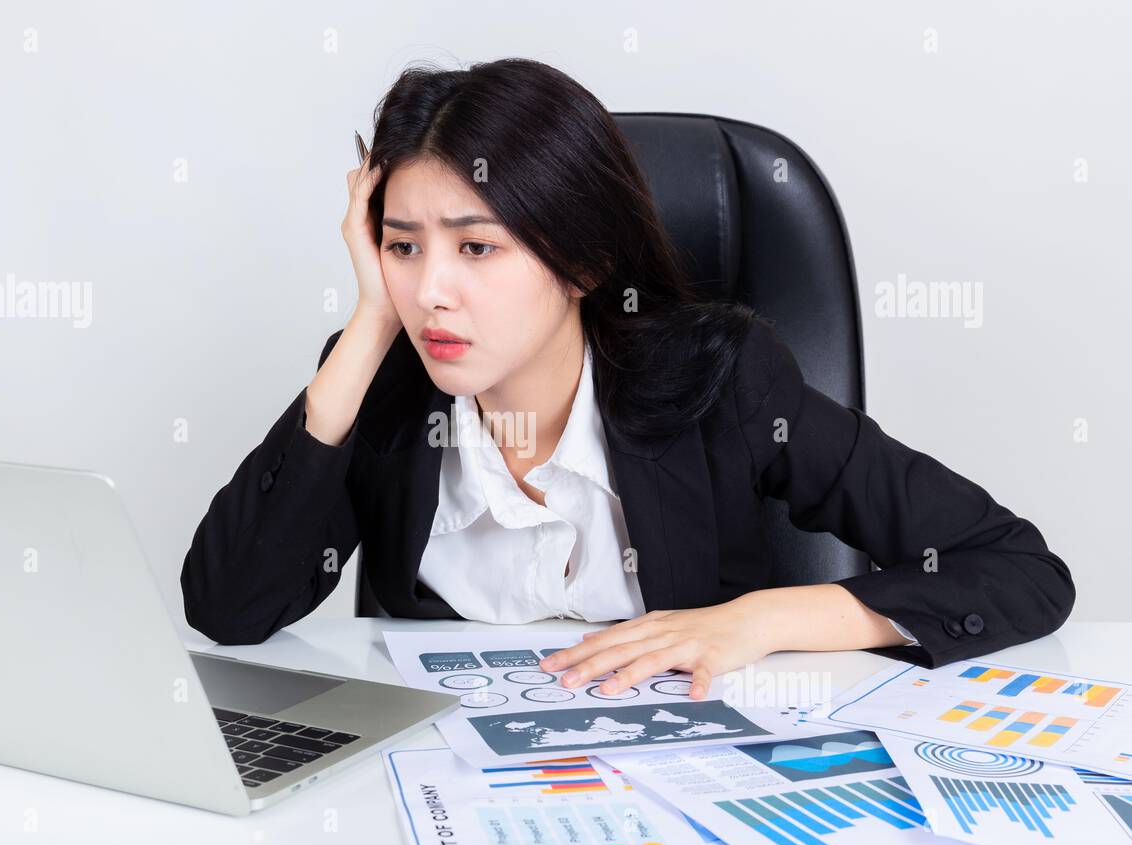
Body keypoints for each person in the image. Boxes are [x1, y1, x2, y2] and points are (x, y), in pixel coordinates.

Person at [180, 58, 1075, 699]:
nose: (430, 293)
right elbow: (227, 608)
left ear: (582, 262)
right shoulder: (381, 388)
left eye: (477, 246)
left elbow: (1016, 568)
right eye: (403, 246)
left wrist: (760, 620)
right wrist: (369, 325)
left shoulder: (726, 385)